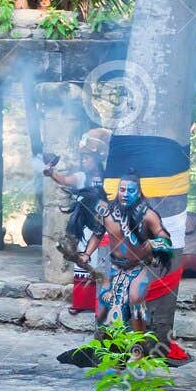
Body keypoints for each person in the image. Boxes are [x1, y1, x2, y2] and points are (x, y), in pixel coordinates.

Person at [93, 170, 172, 335]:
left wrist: (153, 243)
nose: (125, 194)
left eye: (130, 190)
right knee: (101, 311)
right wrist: (86, 255)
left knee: (136, 299)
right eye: (122, 190)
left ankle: (139, 342)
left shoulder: (149, 215)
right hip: (114, 268)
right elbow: (97, 234)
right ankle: (111, 347)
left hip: (138, 268)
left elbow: (166, 240)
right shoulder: (108, 213)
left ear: (139, 191)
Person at [43, 126, 111, 313]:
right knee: (82, 265)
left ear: (96, 159)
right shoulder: (81, 177)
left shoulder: (108, 178)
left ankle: (101, 305)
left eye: (87, 158)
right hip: (86, 229)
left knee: (103, 267)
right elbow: (64, 181)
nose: (84, 161)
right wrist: (51, 172)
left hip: (103, 228)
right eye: (83, 158)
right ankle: (81, 303)